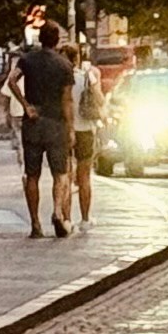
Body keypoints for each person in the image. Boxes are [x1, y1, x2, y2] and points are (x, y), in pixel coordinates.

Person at [14, 19, 75, 237]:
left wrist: (26, 105)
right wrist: (71, 129)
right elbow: (67, 101)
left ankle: (35, 224)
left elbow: (12, 81)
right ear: (57, 40)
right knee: (60, 173)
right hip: (56, 122)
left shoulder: (27, 60)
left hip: (33, 122)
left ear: (40, 39)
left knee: (32, 175)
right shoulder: (64, 65)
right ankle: (58, 212)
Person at [67, 40, 104, 233]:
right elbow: (100, 99)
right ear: (77, 59)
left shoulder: (58, 79)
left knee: (63, 176)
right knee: (84, 177)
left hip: (64, 130)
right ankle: (85, 218)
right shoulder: (87, 77)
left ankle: (65, 218)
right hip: (85, 129)